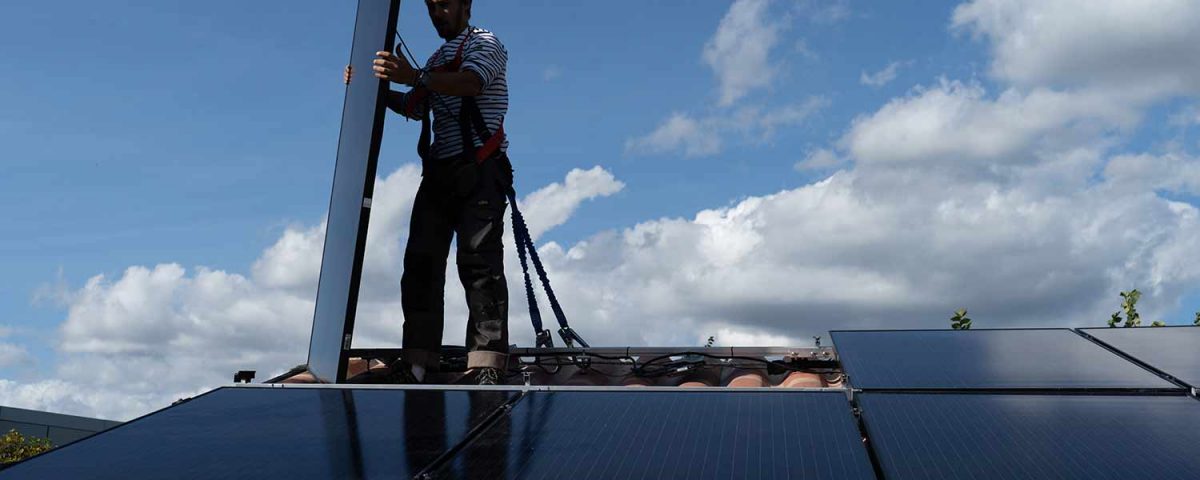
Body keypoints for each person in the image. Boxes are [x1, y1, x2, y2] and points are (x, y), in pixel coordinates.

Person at [344, 0, 510, 385]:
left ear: (466, 4)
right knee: (420, 264)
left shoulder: (484, 42)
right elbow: (414, 106)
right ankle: (419, 361)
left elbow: (473, 82)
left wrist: (416, 76)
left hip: (481, 169)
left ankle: (485, 363)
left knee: (479, 265)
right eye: (432, 7)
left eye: (446, 4)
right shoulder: (437, 57)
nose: (438, 14)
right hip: (439, 173)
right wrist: (372, 87)